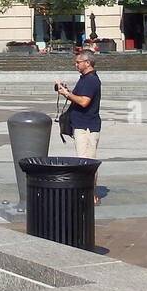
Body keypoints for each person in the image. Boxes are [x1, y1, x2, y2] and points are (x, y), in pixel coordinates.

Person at [55, 49, 102, 203]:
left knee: (87, 161)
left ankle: (90, 195)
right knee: (83, 160)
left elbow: (83, 101)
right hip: (81, 126)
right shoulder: (84, 79)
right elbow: (78, 98)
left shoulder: (91, 80)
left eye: (78, 62)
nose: (76, 65)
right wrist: (66, 91)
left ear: (87, 63)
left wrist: (67, 94)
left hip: (87, 127)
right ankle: (86, 192)